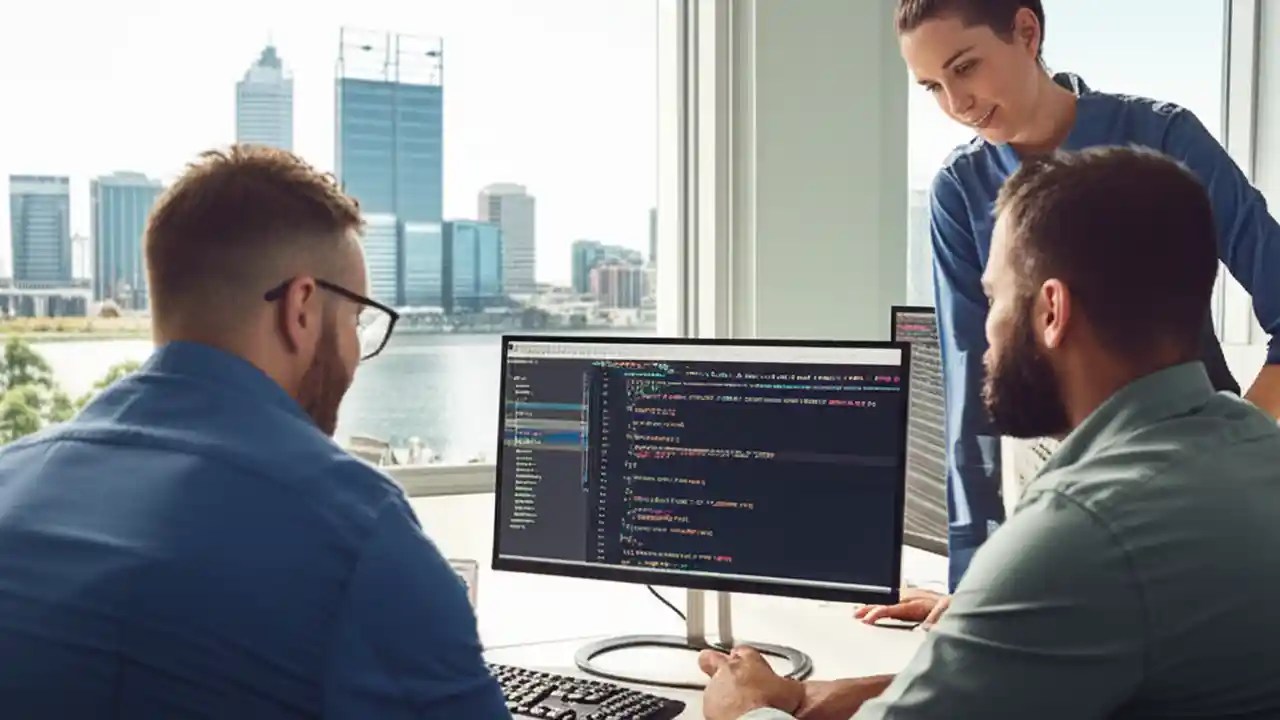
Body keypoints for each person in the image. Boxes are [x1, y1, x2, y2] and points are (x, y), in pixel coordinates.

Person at [699, 146, 1280, 719]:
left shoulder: (1083, 529)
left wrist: (745, 711)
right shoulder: (1254, 453)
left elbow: (1090, 574)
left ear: (1051, 310)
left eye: (994, 297)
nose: (987, 332)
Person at [0, 146, 509, 717]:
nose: (355, 349)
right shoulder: (357, 530)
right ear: (301, 306)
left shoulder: (9, 481)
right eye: (356, 321)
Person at [890, 0, 1280, 601]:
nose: (956, 104)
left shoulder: (1163, 138)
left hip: (1196, 502)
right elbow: (970, 397)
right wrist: (971, 589)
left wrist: (1236, 442)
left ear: (1026, 32)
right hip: (1058, 518)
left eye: (965, 67)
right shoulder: (957, 192)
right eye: (932, 87)